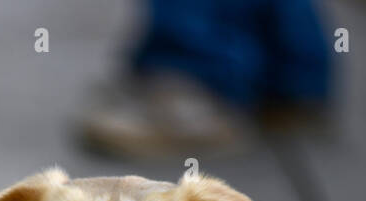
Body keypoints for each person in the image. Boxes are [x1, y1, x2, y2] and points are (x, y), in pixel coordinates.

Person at [80, 0, 333, 156]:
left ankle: (199, 74)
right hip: (281, 74)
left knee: (199, 62)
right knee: (288, 72)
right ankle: (287, 70)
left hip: (210, 68)